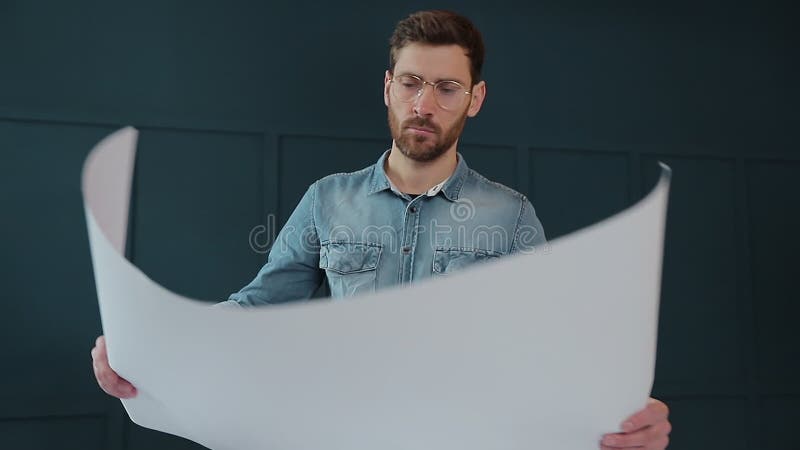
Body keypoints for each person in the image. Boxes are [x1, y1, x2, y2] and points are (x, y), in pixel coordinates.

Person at [91, 10, 671, 449]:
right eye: (413, 82)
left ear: (475, 99)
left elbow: (552, 348)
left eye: (447, 88)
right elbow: (257, 307)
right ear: (388, 86)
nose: (425, 104)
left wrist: (621, 409)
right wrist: (148, 347)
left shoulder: (511, 216)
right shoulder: (326, 199)